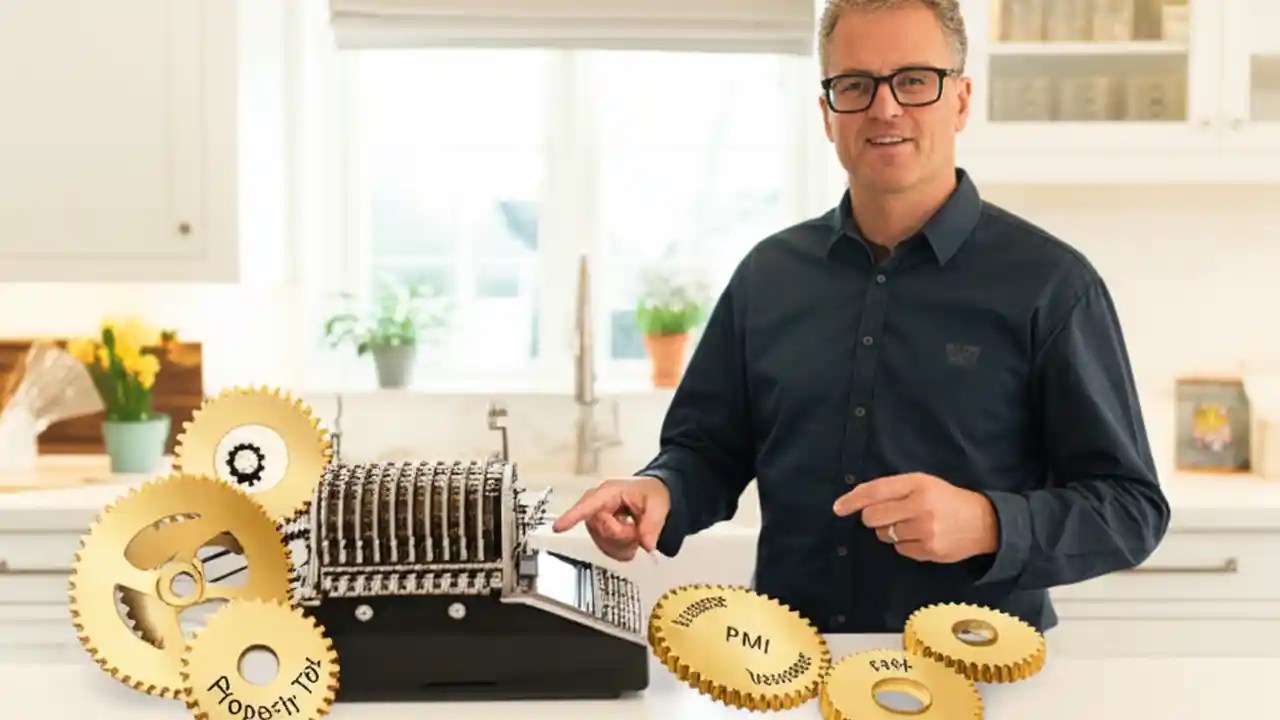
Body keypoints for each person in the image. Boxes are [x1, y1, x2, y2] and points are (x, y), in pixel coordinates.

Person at [551, 0, 1171, 634]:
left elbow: (1130, 508)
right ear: (827, 113)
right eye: (855, 85)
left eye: (913, 80)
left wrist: (988, 522)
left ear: (959, 100)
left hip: (980, 682)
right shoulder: (769, 277)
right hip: (792, 672)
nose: (885, 107)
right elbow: (706, 450)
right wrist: (661, 493)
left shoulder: (1053, 285)